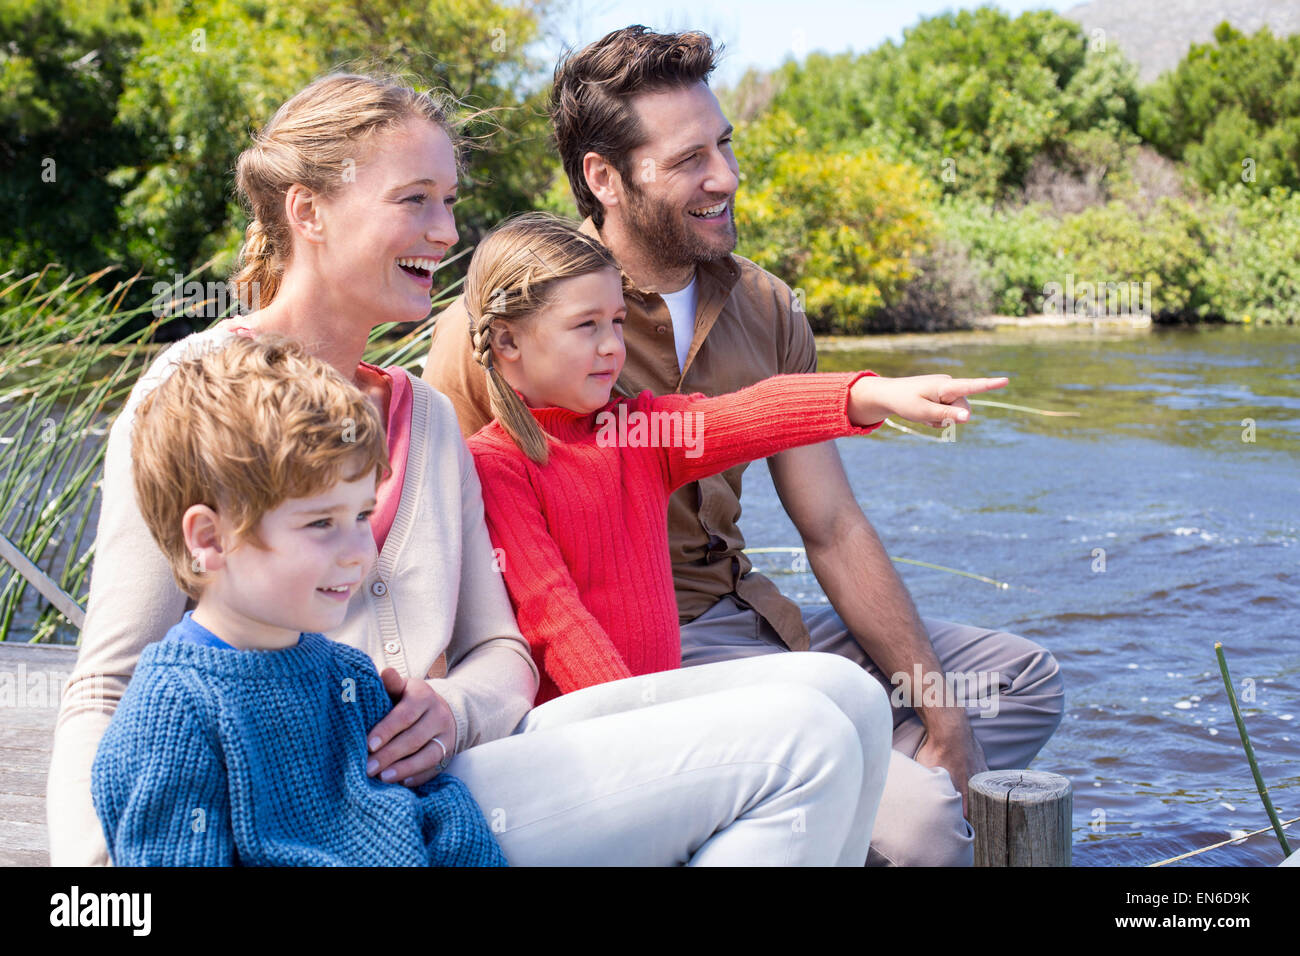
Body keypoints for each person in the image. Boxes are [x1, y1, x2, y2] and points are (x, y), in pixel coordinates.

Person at [49, 71, 892, 867]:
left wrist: (453, 710)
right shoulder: (190, 390)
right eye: (414, 201)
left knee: (848, 702)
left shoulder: (433, 416)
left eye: (449, 202)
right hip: (330, 816)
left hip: (456, 776)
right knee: (805, 743)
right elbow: (108, 688)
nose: (448, 233)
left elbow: (501, 652)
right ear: (308, 211)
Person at [422, 26, 1066, 866]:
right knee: (924, 828)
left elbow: (825, 517)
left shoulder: (762, 308)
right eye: (690, 159)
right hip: (630, 660)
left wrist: (945, 724)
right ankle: (840, 800)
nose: (724, 177)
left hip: (758, 620)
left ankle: (820, 795)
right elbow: (467, 569)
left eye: (723, 145)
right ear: (604, 178)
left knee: (1019, 682)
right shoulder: (497, 326)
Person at [462, 212, 1009, 707]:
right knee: (824, 716)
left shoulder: (638, 431)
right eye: (587, 326)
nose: (612, 346)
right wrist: (634, 727)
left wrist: (872, 395)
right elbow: (554, 616)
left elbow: (749, 414)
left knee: (844, 698)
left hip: (650, 712)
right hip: (586, 736)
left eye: (618, 322)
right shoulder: (494, 464)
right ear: (507, 341)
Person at [92, 335, 507, 866]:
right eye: (320, 524)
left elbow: (429, 813)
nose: (361, 552)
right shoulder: (176, 715)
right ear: (211, 539)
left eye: (361, 516)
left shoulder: (349, 678)